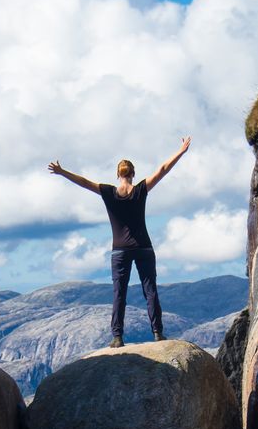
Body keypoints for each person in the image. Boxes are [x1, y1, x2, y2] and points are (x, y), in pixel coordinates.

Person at [48, 137, 191, 347]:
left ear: (118, 174)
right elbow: (162, 169)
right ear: (133, 174)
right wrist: (181, 151)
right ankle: (158, 333)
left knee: (119, 293)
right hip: (143, 247)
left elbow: (85, 182)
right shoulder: (141, 189)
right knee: (150, 290)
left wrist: (63, 172)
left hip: (120, 250)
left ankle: (117, 337)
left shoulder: (108, 192)